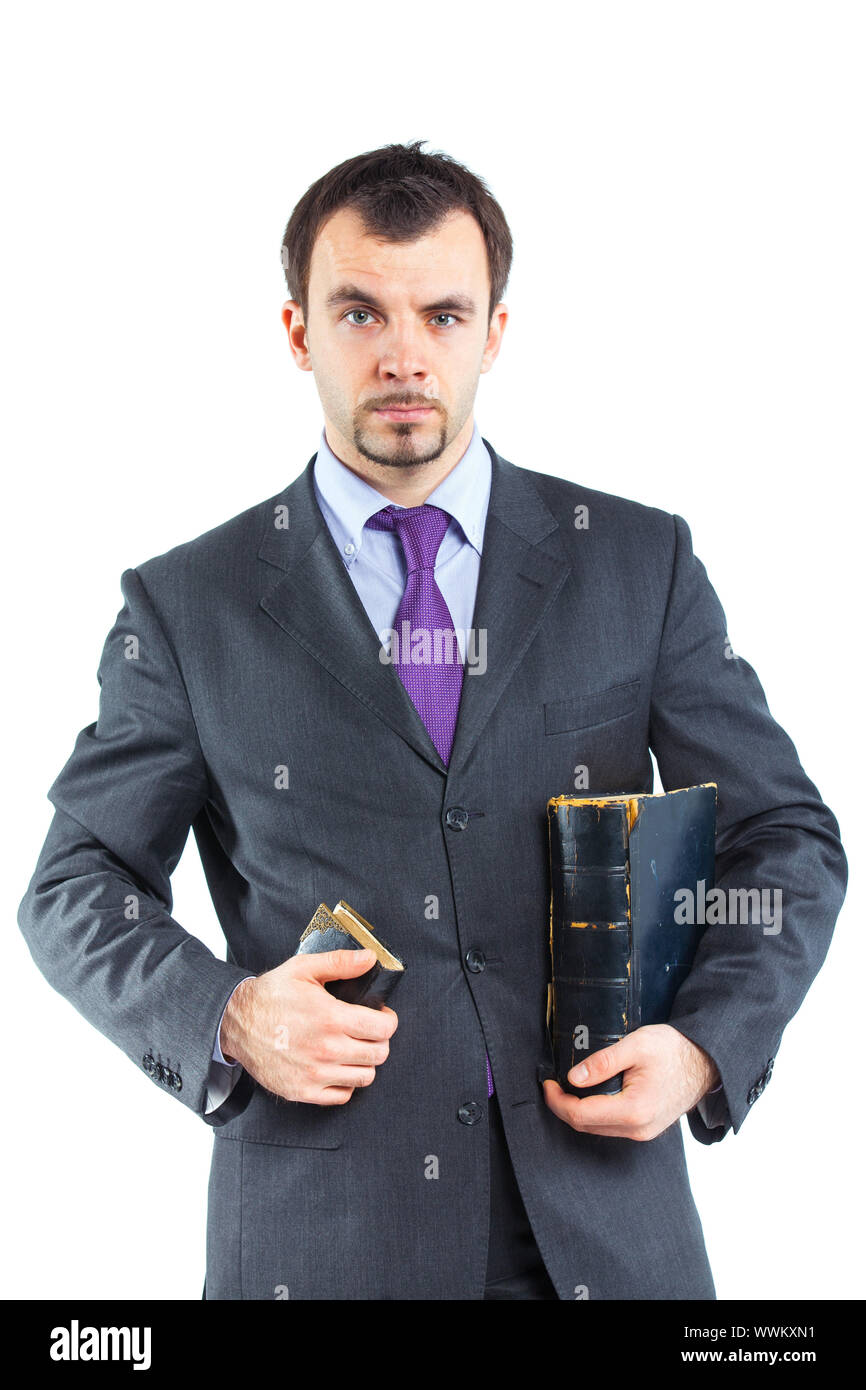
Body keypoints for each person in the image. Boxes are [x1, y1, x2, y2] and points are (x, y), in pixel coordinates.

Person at [18, 140, 847, 1301]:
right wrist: (228, 1015)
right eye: (359, 312)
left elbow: (789, 839)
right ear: (299, 331)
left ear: (493, 331)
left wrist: (707, 1041)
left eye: (443, 314)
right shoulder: (187, 605)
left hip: (606, 1232)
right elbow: (73, 883)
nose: (404, 355)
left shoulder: (636, 565)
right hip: (322, 1246)